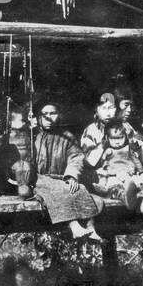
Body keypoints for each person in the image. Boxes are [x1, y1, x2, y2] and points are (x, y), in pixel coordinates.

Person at [29, 97, 101, 239]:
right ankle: (74, 226)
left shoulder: (66, 137)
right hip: (39, 179)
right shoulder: (32, 136)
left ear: (59, 115)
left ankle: (91, 228)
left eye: (53, 113)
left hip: (62, 177)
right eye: (45, 114)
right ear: (38, 117)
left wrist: (71, 176)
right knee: (59, 189)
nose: (49, 118)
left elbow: (76, 157)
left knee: (79, 188)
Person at [84, 117, 143, 213]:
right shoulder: (107, 150)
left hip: (130, 175)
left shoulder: (129, 148)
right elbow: (102, 163)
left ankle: (141, 196)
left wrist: (141, 172)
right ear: (107, 138)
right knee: (115, 189)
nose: (117, 141)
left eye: (120, 137)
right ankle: (127, 198)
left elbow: (137, 157)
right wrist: (104, 173)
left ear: (125, 136)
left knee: (141, 184)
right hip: (114, 176)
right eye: (113, 138)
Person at [81, 91, 143, 161]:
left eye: (111, 108)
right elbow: (88, 160)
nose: (129, 110)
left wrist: (132, 141)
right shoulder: (92, 129)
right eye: (125, 105)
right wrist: (103, 145)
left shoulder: (126, 126)